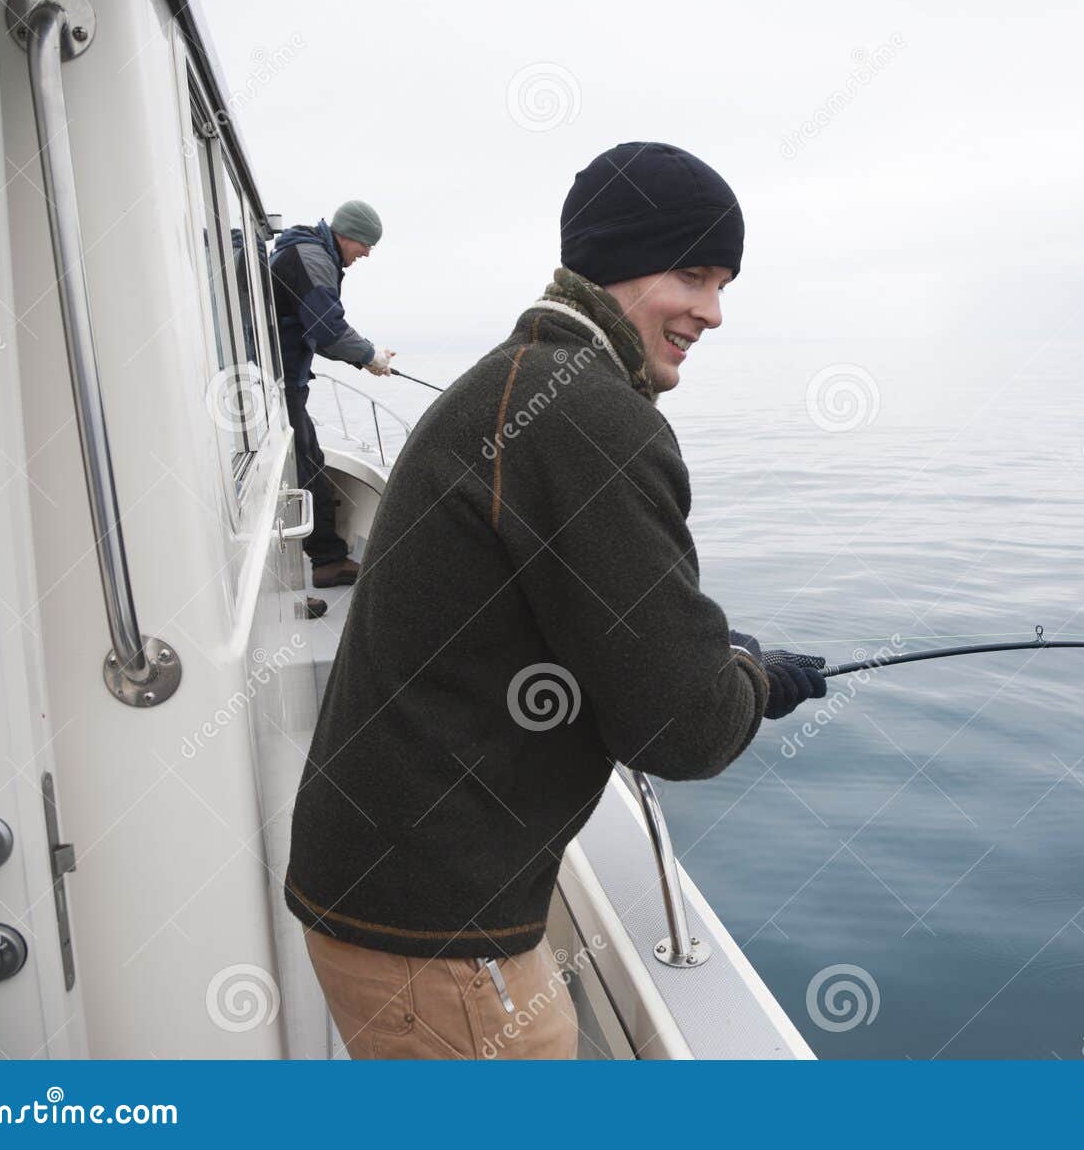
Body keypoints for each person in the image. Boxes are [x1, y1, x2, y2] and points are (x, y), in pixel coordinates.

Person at [283, 142, 827, 1060]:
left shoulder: (521, 377)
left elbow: (557, 608)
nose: (714, 311)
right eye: (691, 274)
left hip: (384, 893)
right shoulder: (591, 414)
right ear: (615, 264)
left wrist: (709, 651)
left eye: (724, 281)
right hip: (439, 934)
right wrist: (754, 678)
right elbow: (684, 728)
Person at [268, 200, 395, 588]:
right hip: (279, 382)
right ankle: (327, 561)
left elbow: (313, 329)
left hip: (281, 379)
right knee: (307, 466)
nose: (367, 253)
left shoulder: (309, 253)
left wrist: (365, 360)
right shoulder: (312, 257)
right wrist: (371, 354)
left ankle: (326, 559)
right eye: (365, 244)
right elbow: (326, 328)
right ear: (347, 234)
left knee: (310, 461)